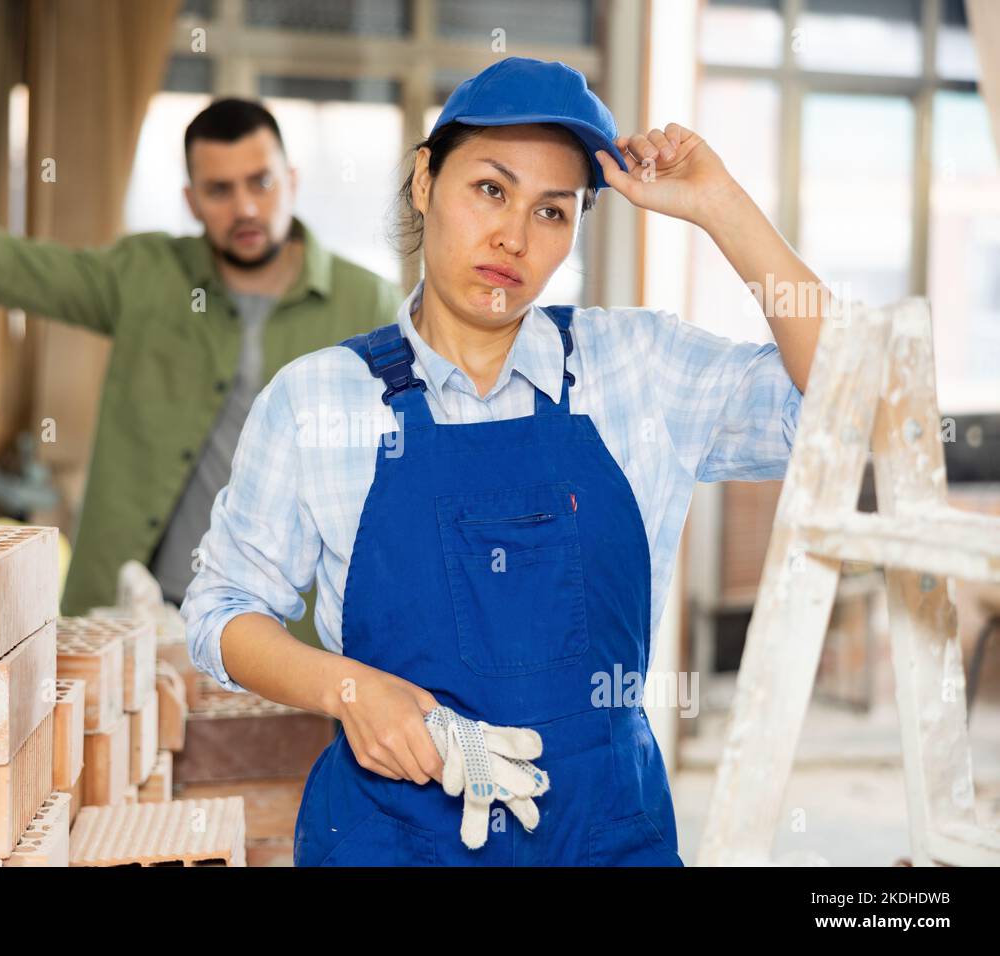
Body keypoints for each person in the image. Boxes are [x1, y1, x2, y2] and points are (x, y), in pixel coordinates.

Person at [181, 57, 832, 866]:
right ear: (425, 181)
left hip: (606, 836)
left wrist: (722, 209)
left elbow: (844, 404)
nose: (514, 238)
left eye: (553, 212)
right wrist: (350, 690)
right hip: (395, 840)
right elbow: (220, 611)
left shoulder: (637, 370)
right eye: (490, 189)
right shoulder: (318, 401)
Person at [0, 98, 402, 616]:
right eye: (219, 190)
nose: (246, 208)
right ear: (191, 200)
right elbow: (35, 272)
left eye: (261, 182)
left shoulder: (366, 302)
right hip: (138, 605)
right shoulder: (147, 274)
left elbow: (411, 450)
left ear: (292, 181)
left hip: (287, 619)